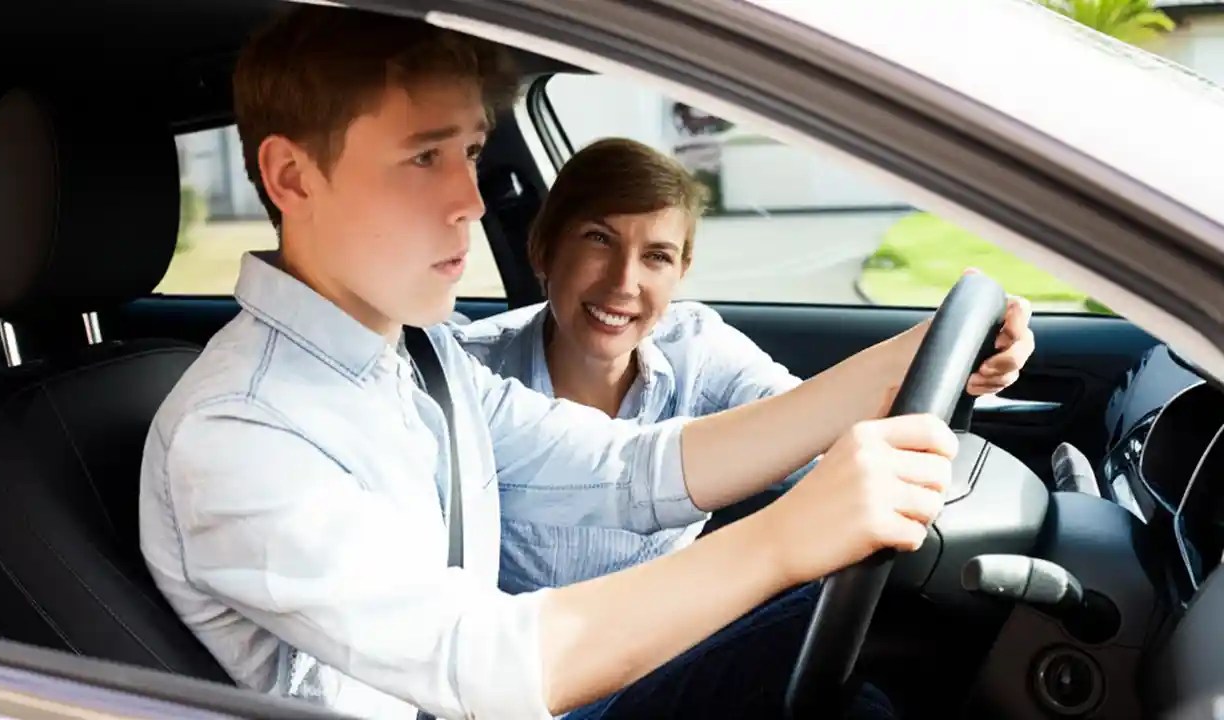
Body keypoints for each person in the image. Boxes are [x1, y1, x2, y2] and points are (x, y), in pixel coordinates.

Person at [137, 6, 1035, 720]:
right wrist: (785, 539)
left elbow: (629, 468)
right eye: (423, 157)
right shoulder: (239, 433)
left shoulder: (418, 362)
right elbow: (478, 662)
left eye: (471, 152)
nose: (467, 198)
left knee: (862, 654)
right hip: (500, 697)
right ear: (292, 177)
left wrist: (903, 361)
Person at [454, 137, 1032, 594]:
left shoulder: (696, 347)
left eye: (655, 256)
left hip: (666, 661)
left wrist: (966, 375)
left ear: (681, 272)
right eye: (599, 240)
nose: (623, 283)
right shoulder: (469, 377)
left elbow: (811, 433)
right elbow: (632, 471)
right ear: (542, 250)